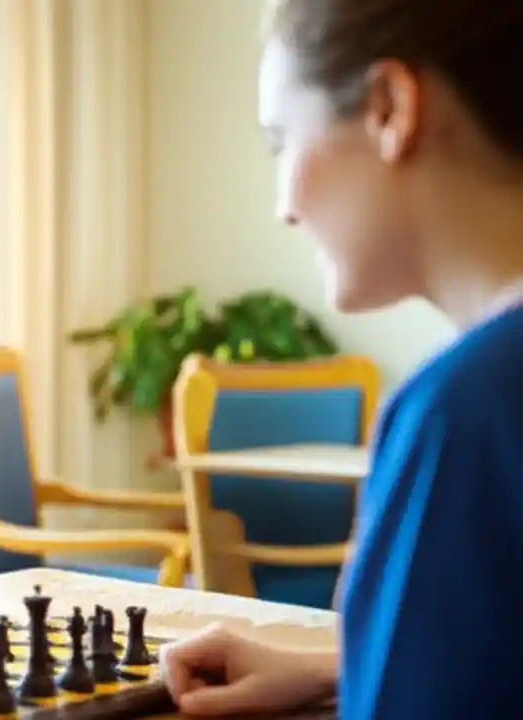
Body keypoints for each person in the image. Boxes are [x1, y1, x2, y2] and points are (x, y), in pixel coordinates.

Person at [159, 1, 523, 718]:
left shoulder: (466, 411)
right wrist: (337, 666)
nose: (284, 208)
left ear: (390, 108)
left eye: (281, 141)